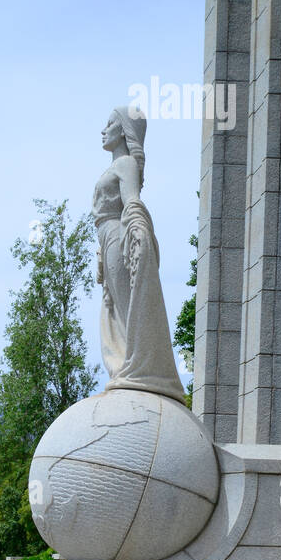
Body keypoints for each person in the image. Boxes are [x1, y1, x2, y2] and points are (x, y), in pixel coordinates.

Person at [93, 106, 185, 402]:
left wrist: (140, 232)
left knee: (127, 307)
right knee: (115, 307)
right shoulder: (114, 166)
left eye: (109, 124)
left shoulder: (126, 164)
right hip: (106, 238)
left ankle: (133, 368)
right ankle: (122, 368)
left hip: (119, 236)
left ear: (123, 129)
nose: (103, 130)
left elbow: (131, 200)